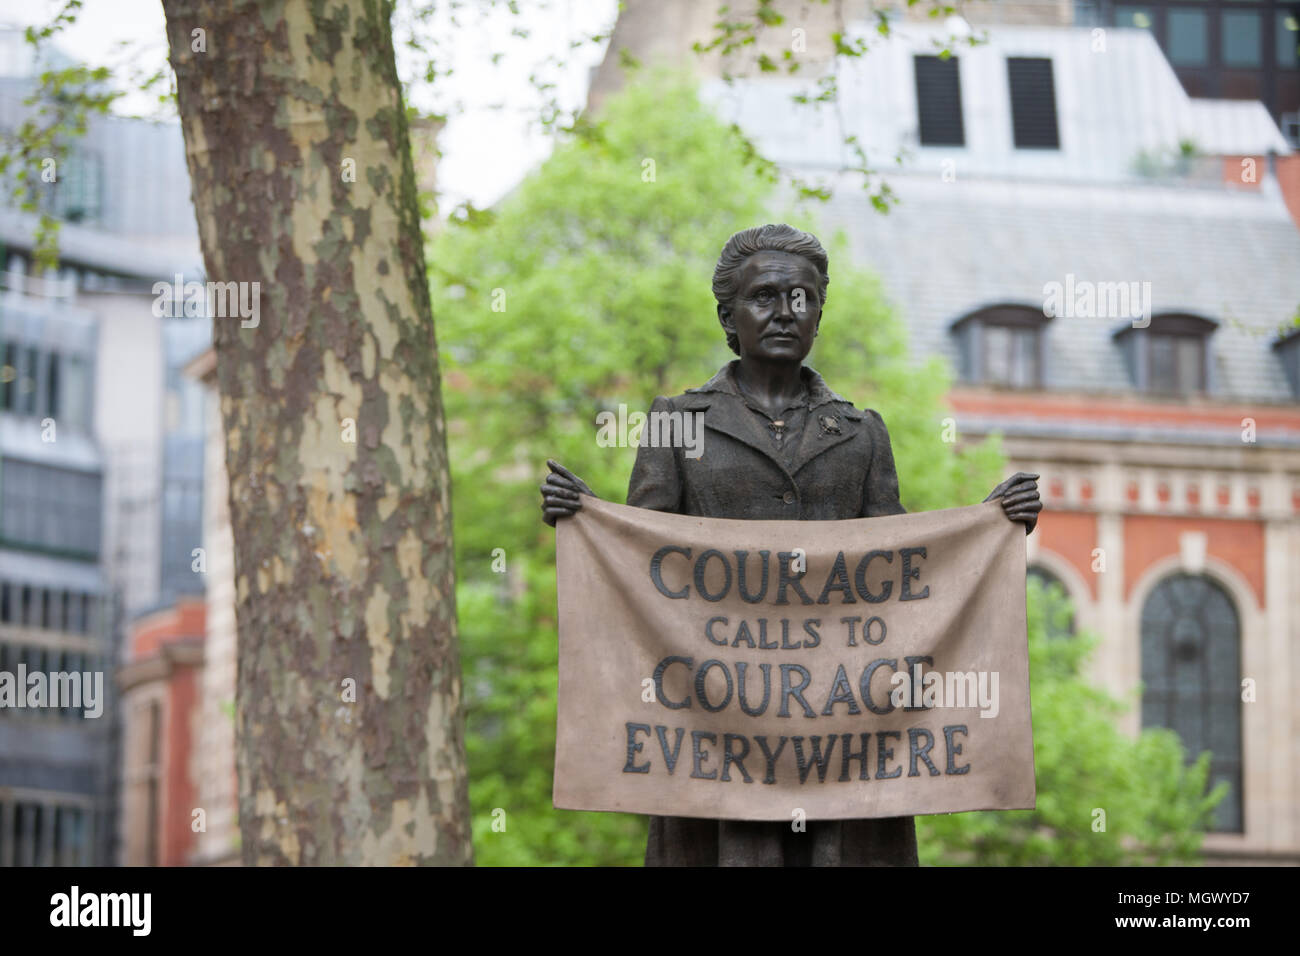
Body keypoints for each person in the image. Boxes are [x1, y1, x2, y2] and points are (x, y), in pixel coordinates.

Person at [541, 223, 1041, 866]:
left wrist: (990, 528)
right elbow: (641, 568)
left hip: (847, 744)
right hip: (715, 746)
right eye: (765, 297)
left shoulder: (862, 433)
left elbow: (906, 578)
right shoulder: (678, 422)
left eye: (802, 297)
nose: (785, 312)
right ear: (729, 315)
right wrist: (585, 521)